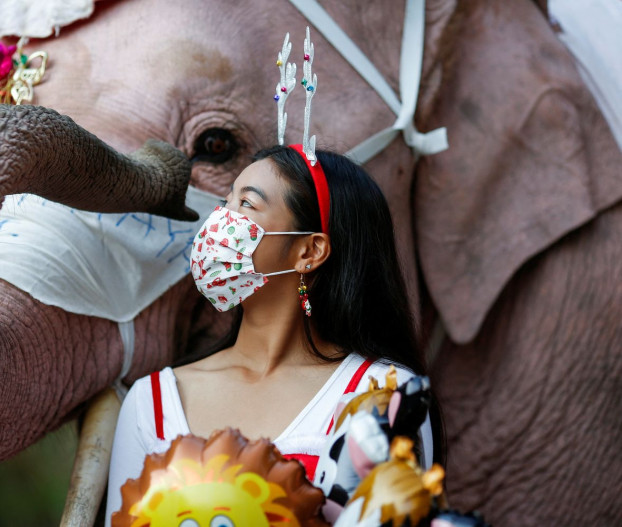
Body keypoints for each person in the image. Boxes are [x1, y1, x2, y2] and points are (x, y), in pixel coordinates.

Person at [104, 144, 440, 524]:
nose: (219, 221)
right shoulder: (154, 401)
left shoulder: (382, 396)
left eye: (246, 204)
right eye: (224, 201)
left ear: (309, 251)